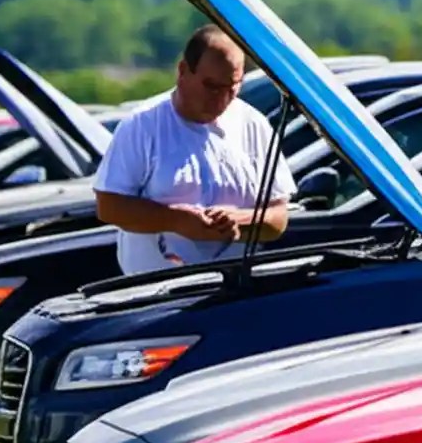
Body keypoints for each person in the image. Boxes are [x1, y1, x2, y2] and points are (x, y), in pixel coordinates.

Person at [93, 24, 296, 275]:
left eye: (231, 87)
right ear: (182, 71)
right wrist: (176, 220)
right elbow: (109, 206)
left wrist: (239, 221)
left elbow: (278, 218)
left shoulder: (254, 125)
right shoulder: (143, 124)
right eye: (211, 86)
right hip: (156, 295)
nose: (221, 99)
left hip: (232, 292)